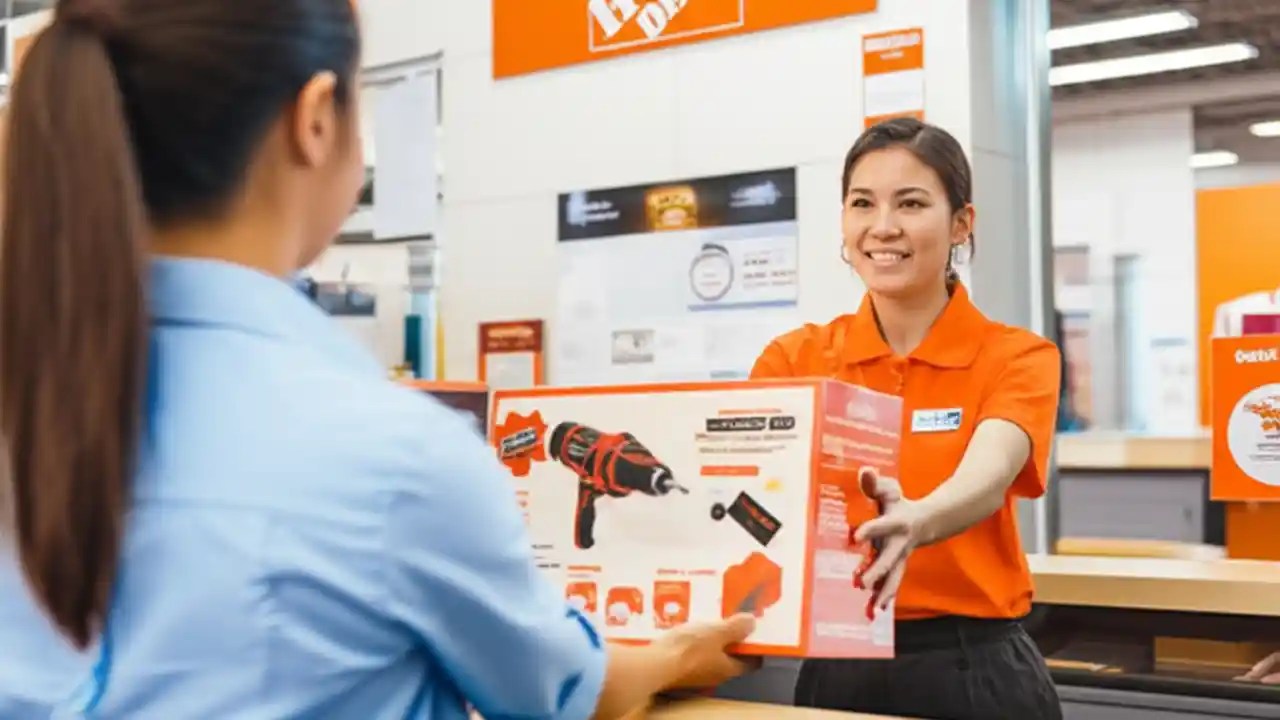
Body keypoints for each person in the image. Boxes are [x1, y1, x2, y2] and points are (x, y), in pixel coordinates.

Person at [0, 1, 755, 718]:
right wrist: (677, 654)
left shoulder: (27, 403)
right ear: (317, 119)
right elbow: (554, 691)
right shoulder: (396, 457)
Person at [750, 117, 1064, 720]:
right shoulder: (794, 360)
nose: (883, 226)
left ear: (961, 224)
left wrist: (919, 519)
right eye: (862, 203)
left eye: (912, 203)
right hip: (837, 668)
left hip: (972, 668)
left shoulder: (1017, 356)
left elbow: (993, 468)